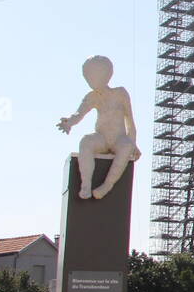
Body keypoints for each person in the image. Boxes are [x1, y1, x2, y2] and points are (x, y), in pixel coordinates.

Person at [56, 55, 141, 199]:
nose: (90, 80)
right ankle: (86, 186)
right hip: (101, 137)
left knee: (126, 148)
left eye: (93, 75)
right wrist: (69, 122)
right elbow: (79, 114)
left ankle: (107, 185)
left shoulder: (120, 93)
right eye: (88, 77)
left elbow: (130, 121)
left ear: (105, 74)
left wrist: (133, 142)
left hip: (119, 138)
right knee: (85, 142)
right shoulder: (92, 97)